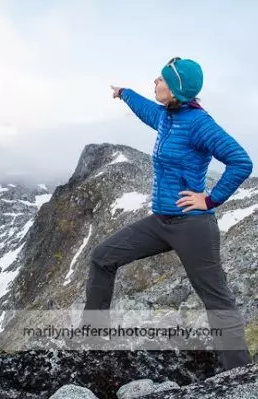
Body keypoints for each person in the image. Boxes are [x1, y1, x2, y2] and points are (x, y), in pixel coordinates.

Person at [79, 57, 253, 371]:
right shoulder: (166, 116)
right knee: (102, 257)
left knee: (217, 301)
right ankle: (93, 344)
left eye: (161, 79)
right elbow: (147, 109)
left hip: (192, 226)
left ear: (175, 89)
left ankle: (238, 376)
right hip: (161, 222)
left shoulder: (200, 124)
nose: (155, 83)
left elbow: (241, 161)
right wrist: (124, 93)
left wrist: (210, 199)